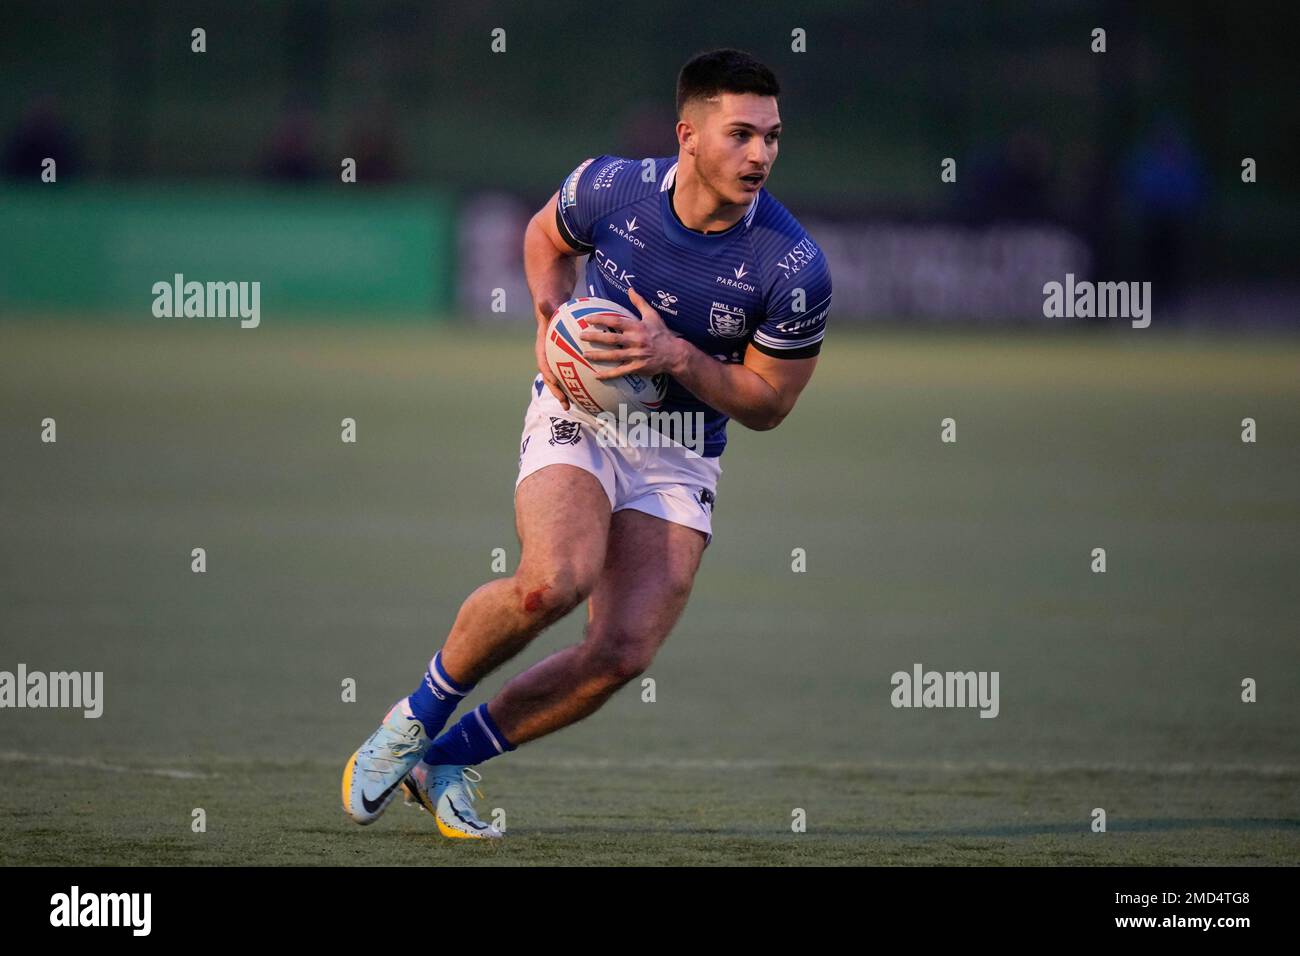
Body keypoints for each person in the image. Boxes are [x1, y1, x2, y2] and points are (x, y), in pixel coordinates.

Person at [342, 48, 832, 838]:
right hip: (581, 413)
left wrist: (677, 356)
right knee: (554, 579)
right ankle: (412, 719)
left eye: (772, 137)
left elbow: (770, 404)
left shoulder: (793, 264)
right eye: (741, 135)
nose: (761, 155)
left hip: (679, 446)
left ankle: (446, 760)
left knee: (623, 651)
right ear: (689, 137)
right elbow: (543, 237)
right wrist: (547, 319)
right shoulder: (612, 187)